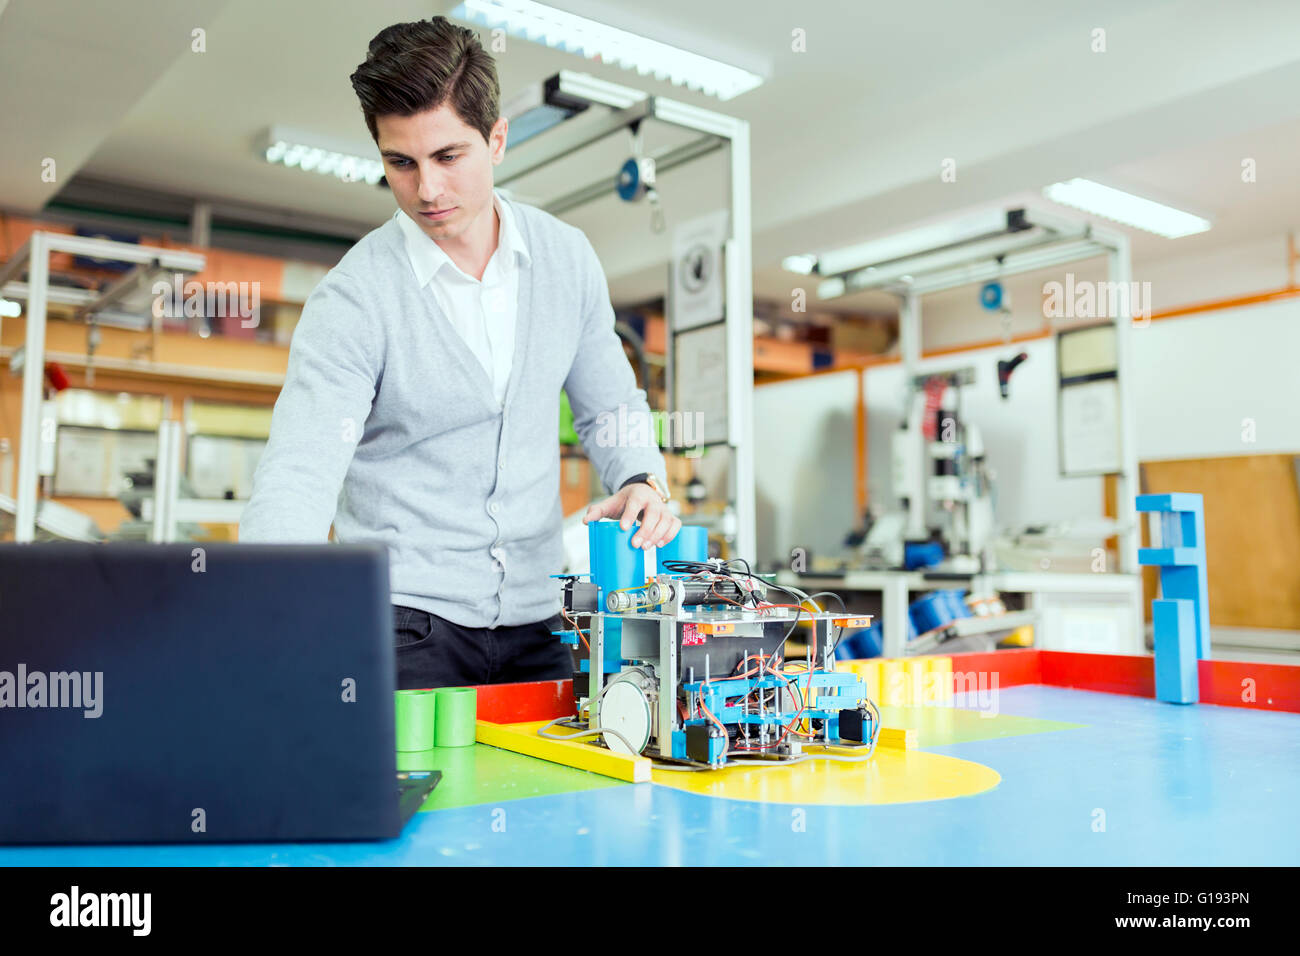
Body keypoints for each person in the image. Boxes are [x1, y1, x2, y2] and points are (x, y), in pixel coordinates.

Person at [239, 16, 680, 689]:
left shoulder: (566, 259)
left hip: (541, 622)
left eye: (448, 157)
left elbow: (609, 405)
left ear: (497, 138)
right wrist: (266, 604)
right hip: (403, 623)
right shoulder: (354, 298)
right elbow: (301, 467)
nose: (427, 190)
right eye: (400, 163)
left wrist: (641, 477)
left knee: (555, 795)